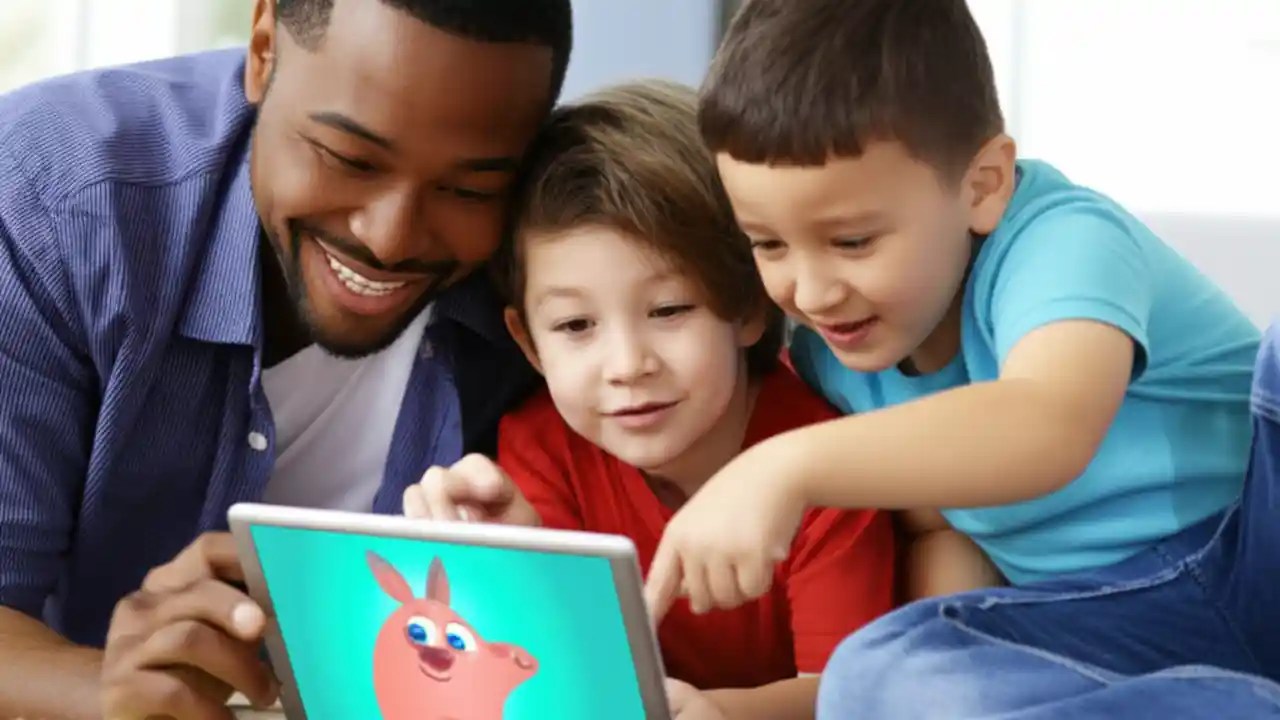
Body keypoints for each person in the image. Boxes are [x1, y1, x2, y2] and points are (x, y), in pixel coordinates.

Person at [641, 0, 1280, 717]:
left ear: (983, 186)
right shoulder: (834, 353)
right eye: (769, 244)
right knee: (875, 676)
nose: (811, 291)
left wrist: (781, 466)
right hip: (1112, 628)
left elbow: (1048, 422)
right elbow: (942, 529)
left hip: (1254, 550)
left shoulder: (1061, 238)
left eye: (852, 242)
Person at [0, 0, 571, 717]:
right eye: (350, 159)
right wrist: (103, 688)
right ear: (264, 48)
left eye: (468, 190)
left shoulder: (560, 255)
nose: (390, 238)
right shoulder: (53, 202)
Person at [403, 79, 897, 720]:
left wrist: (716, 712)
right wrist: (515, 564)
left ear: (748, 305)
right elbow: (555, 669)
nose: (628, 366)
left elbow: (850, 696)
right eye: (576, 326)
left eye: (668, 310)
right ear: (528, 344)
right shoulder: (536, 447)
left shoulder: (828, 469)